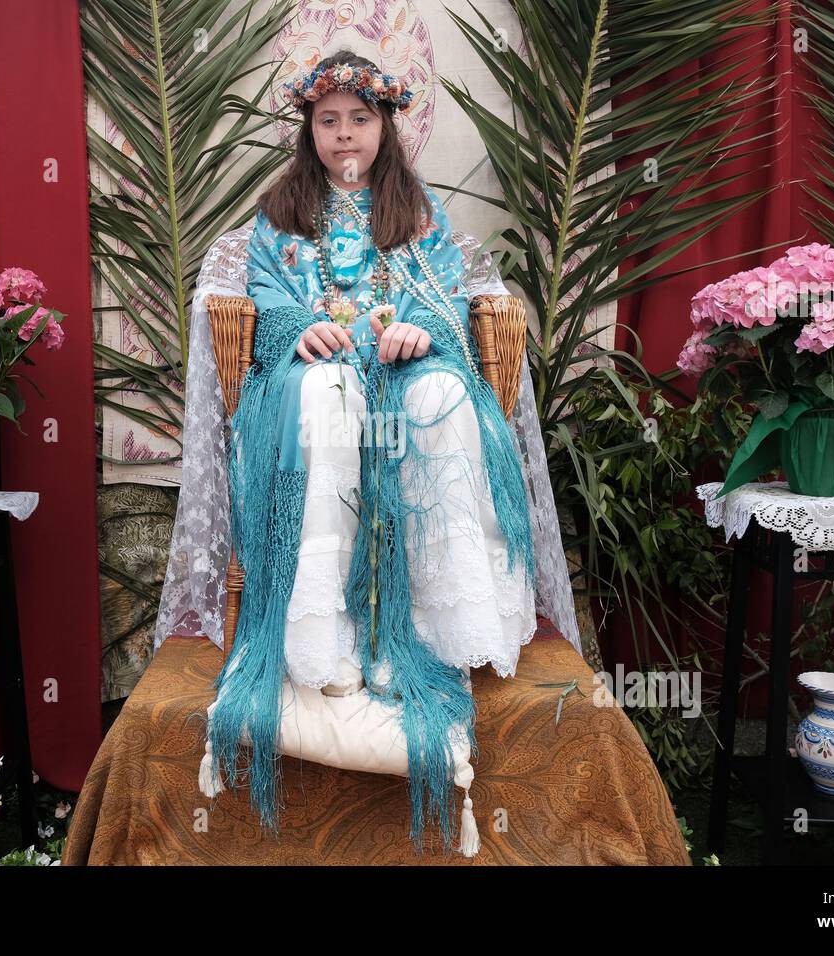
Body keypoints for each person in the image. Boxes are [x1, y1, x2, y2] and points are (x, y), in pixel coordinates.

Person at [175, 49, 577, 852]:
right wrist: (299, 331)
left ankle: (428, 635)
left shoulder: (416, 208)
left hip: (403, 369)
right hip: (311, 377)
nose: (345, 134)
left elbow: (445, 299)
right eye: (329, 121)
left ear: (386, 126)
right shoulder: (280, 212)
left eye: (360, 119)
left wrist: (422, 331)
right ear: (309, 130)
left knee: (444, 400)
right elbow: (264, 298)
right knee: (328, 401)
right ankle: (322, 645)